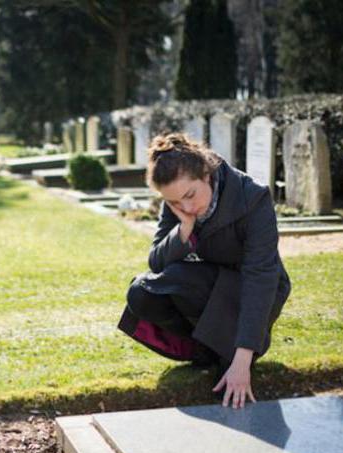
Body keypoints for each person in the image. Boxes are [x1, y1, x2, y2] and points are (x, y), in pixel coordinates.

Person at [117, 132, 291, 409]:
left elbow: (260, 278)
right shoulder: (177, 200)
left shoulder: (253, 197)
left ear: (207, 174)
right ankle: (208, 351)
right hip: (209, 284)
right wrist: (184, 228)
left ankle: (236, 353)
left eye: (190, 195)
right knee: (142, 292)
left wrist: (242, 361)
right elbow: (157, 262)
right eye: (175, 202)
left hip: (254, 289)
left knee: (230, 389)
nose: (186, 207)